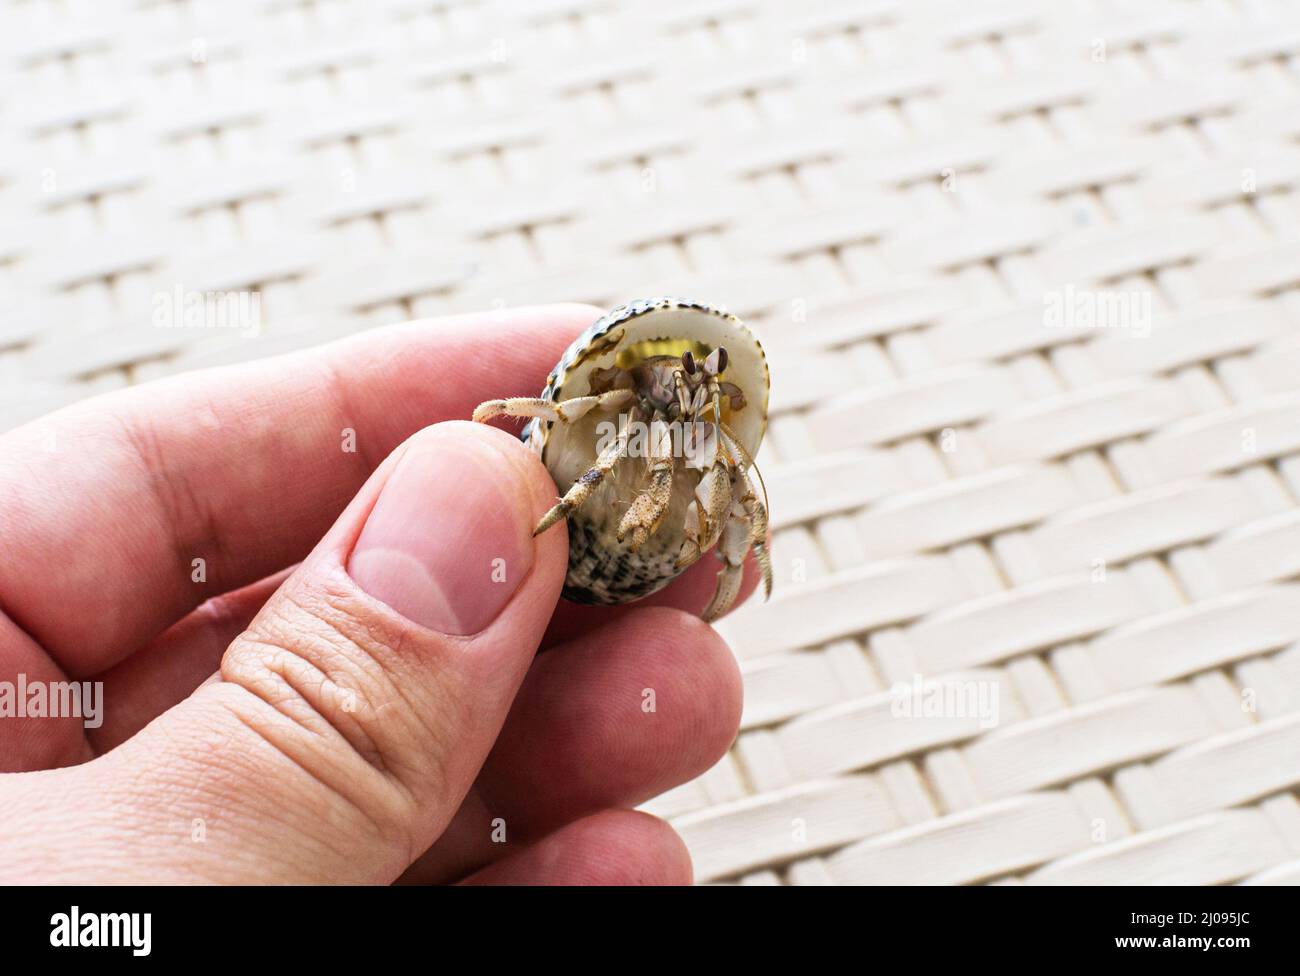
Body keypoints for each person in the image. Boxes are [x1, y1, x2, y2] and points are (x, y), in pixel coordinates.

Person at [0, 305, 753, 884]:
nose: (697, 390)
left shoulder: (699, 420)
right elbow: (573, 415)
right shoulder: (620, 392)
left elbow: (730, 478)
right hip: (586, 471)